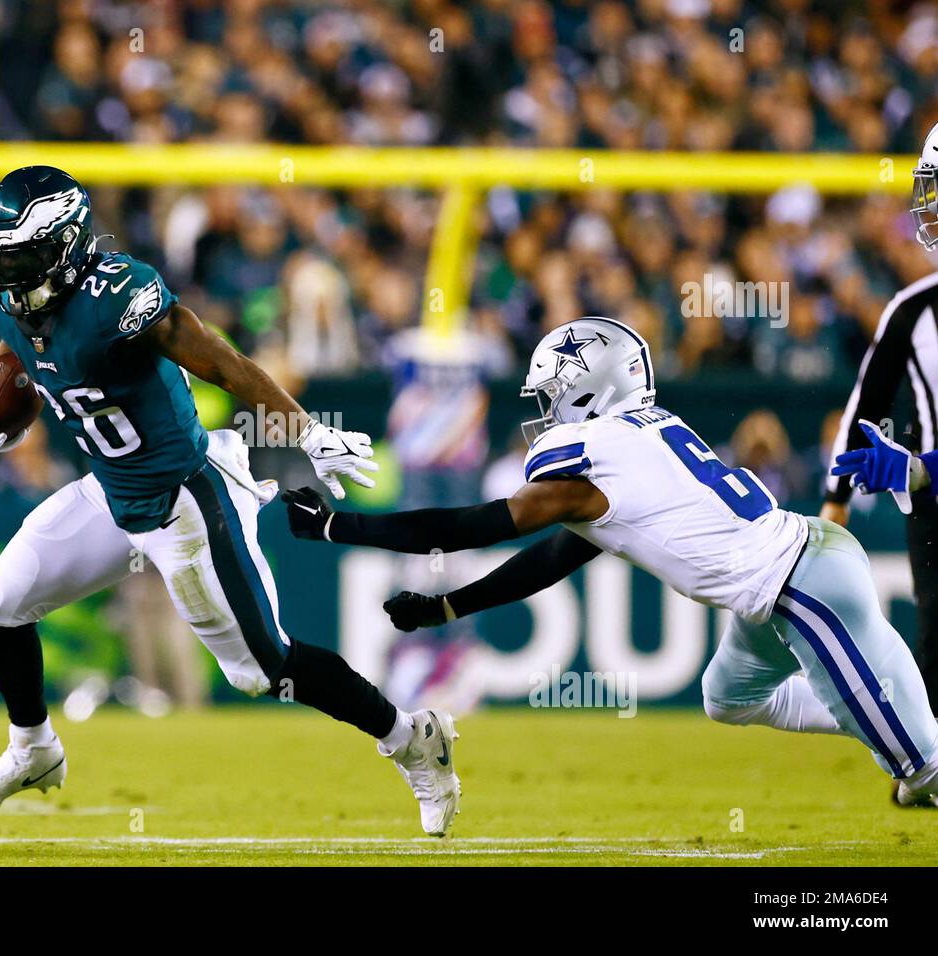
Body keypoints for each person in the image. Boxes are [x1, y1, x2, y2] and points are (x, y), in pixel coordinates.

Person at [0, 166, 458, 835]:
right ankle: (33, 750)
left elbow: (222, 362)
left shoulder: (117, 295)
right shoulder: (0, 295)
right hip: (111, 491)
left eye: (26, 258)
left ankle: (412, 738)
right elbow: (21, 344)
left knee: (263, 666)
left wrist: (305, 430)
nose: (11, 275)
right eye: (1, 259)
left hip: (184, 493)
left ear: (68, 245)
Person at [285, 316, 938, 808]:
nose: (546, 410)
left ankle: (906, 738)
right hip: (783, 580)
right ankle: (888, 720)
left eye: (554, 393)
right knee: (729, 697)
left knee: (922, 767)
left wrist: (341, 526)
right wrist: (451, 606)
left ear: (591, 387)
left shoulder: (596, 450)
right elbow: (559, 554)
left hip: (803, 584)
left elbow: (468, 526)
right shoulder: (636, 440)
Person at [820, 122, 938, 712]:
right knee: (936, 642)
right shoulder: (912, 310)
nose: (930, 206)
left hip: (928, 481)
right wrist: (835, 497)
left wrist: (920, 469)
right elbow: (865, 405)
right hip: (934, 505)